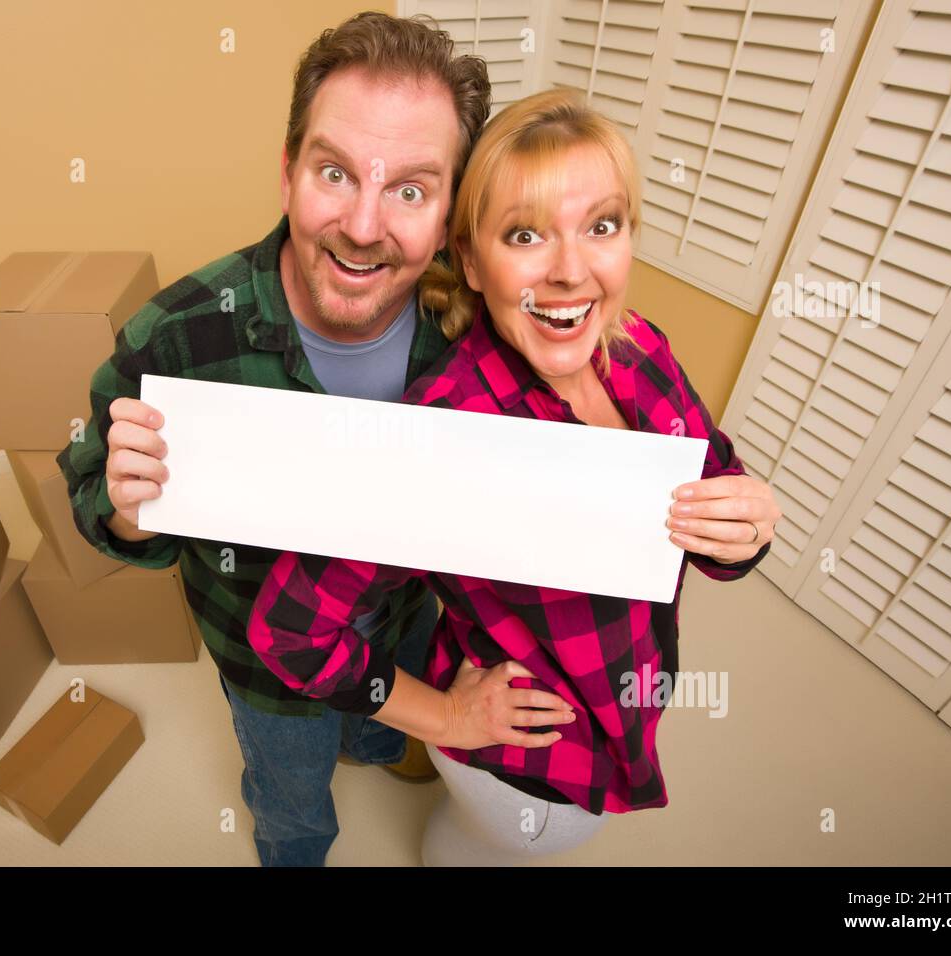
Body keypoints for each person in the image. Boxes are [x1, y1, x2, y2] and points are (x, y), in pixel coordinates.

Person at [58, 12, 545, 867]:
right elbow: (93, 489)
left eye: (410, 189)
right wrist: (128, 509)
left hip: (400, 625)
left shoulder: (475, 338)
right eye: (335, 172)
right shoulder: (175, 337)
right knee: (292, 804)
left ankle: (378, 740)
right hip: (266, 675)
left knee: (376, 730)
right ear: (287, 174)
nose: (363, 225)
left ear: (449, 221)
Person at [247, 88, 782, 866]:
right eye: (526, 234)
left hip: (630, 686)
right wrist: (442, 720)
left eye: (601, 226)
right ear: (468, 257)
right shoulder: (445, 436)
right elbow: (289, 631)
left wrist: (746, 527)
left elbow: (712, 513)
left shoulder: (638, 349)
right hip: (528, 768)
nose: (570, 272)